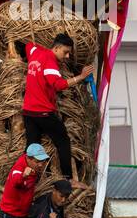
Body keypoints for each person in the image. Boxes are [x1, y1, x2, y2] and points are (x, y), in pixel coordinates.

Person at [15, 34, 94, 184]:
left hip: (28, 112)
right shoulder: (50, 61)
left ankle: (27, 177)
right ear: (56, 48)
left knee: (32, 147)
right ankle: (67, 179)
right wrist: (81, 77)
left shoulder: (35, 51)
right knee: (63, 142)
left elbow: (26, 45)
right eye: (65, 52)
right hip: (43, 113)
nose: (67, 56)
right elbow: (58, 85)